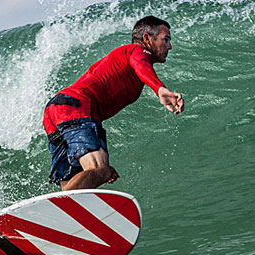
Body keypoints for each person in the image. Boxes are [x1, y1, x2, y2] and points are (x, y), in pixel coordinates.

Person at [43, 15, 184, 190]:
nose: (169, 46)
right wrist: (160, 89)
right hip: (77, 106)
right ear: (147, 38)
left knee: (74, 180)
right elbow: (139, 62)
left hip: (57, 109)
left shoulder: (128, 62)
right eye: (166, 40)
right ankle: (61, 212)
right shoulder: (136, 51)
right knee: (99, 169)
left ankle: (60, 212)